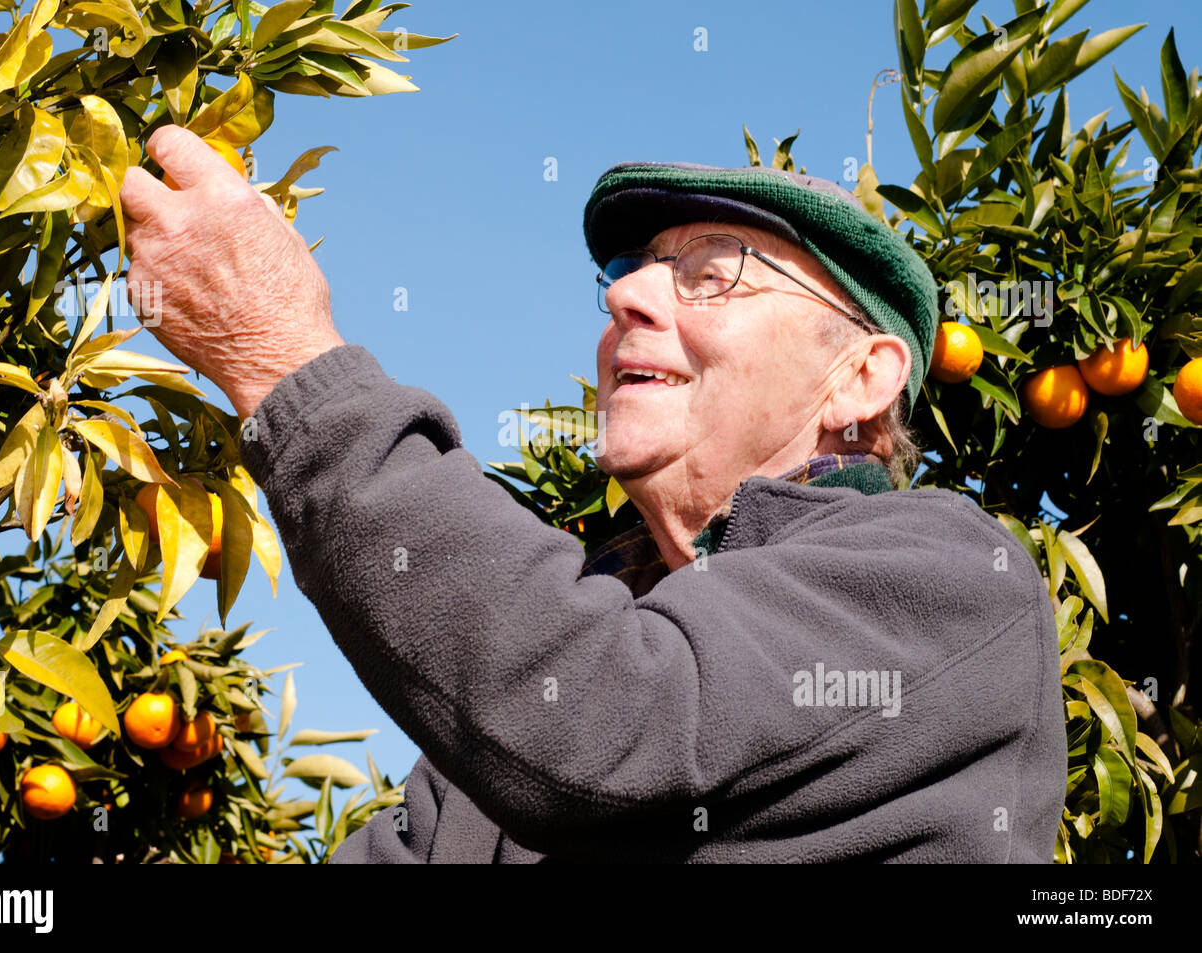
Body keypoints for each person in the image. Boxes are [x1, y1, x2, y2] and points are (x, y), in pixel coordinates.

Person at [121, 128, 1066, 862]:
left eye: (713, 272)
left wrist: (289, 363)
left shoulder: (943, 576)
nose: (628, 298)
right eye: (628, 274)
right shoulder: (543, 687)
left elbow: (610, 721)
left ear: (862, 377)